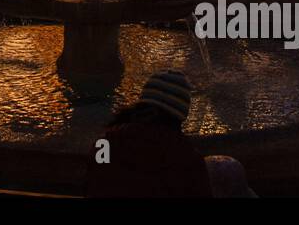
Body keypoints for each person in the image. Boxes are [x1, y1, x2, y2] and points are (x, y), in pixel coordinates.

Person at [85, 70, 212, 198]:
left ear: (141, 105)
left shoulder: (106, 145)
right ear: (179, 117)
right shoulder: (187, 158)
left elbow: (94, 182)